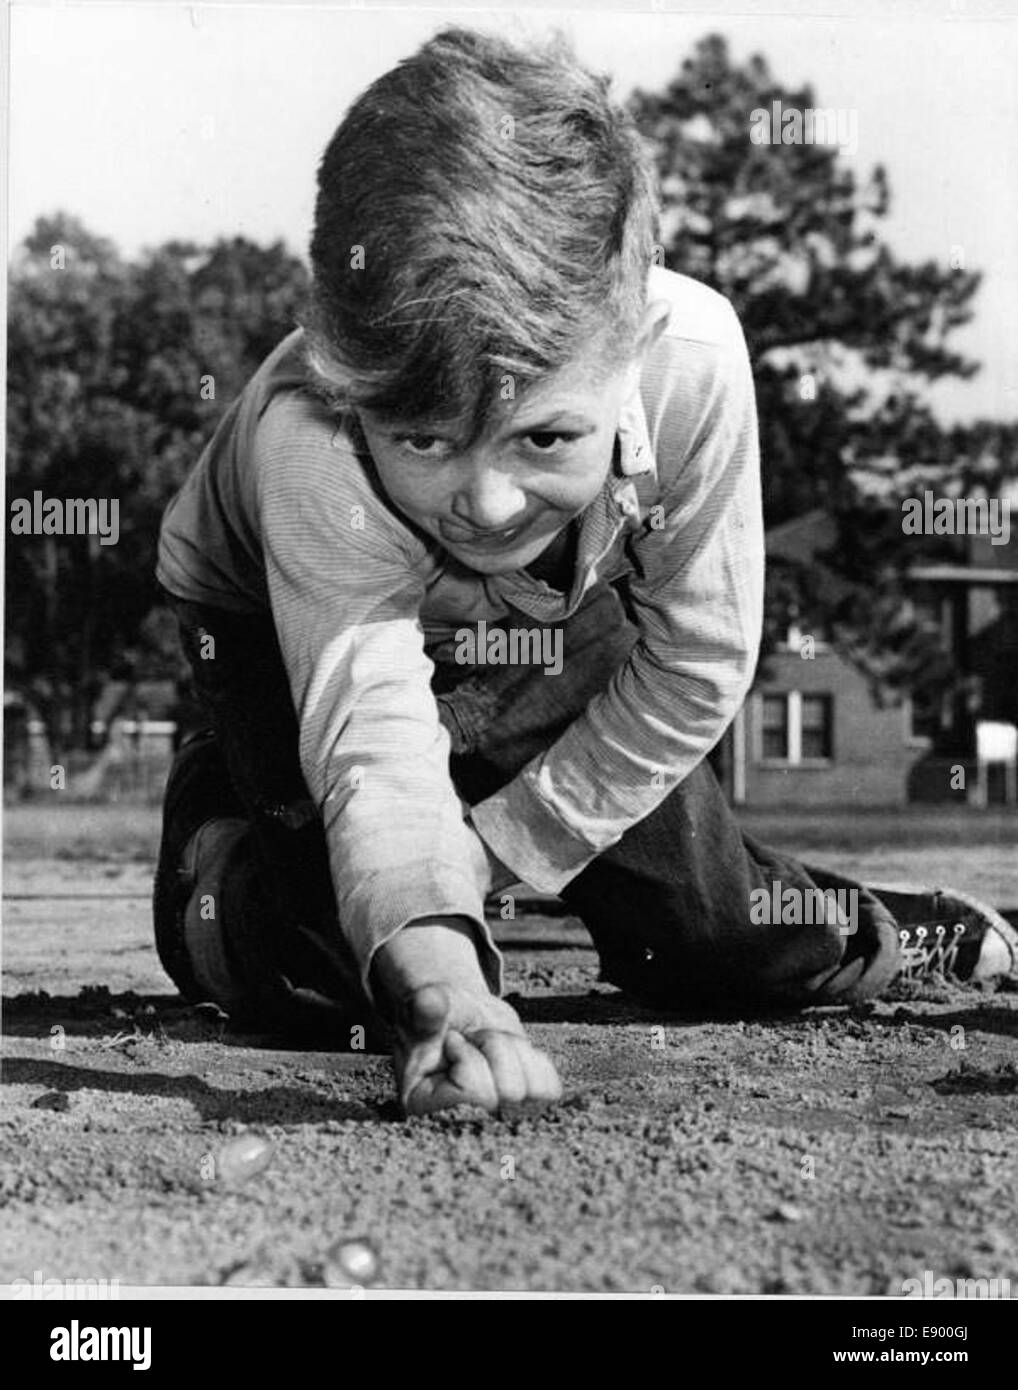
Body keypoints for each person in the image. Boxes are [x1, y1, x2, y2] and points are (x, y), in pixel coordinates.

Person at [153, 26, 1015, 1116]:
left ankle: (901, 928)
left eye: (546, 439)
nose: (486, 502)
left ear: (632, 343)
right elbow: (373, 739)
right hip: (281, 622)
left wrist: (497, 851)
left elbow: (696, 660)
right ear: (350, 377)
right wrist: (450, 994)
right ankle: (218, 826)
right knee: (332, 970)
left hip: (552, 613)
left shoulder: (694, 364)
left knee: (710, 928)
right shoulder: (309, 434)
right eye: (420, 438)